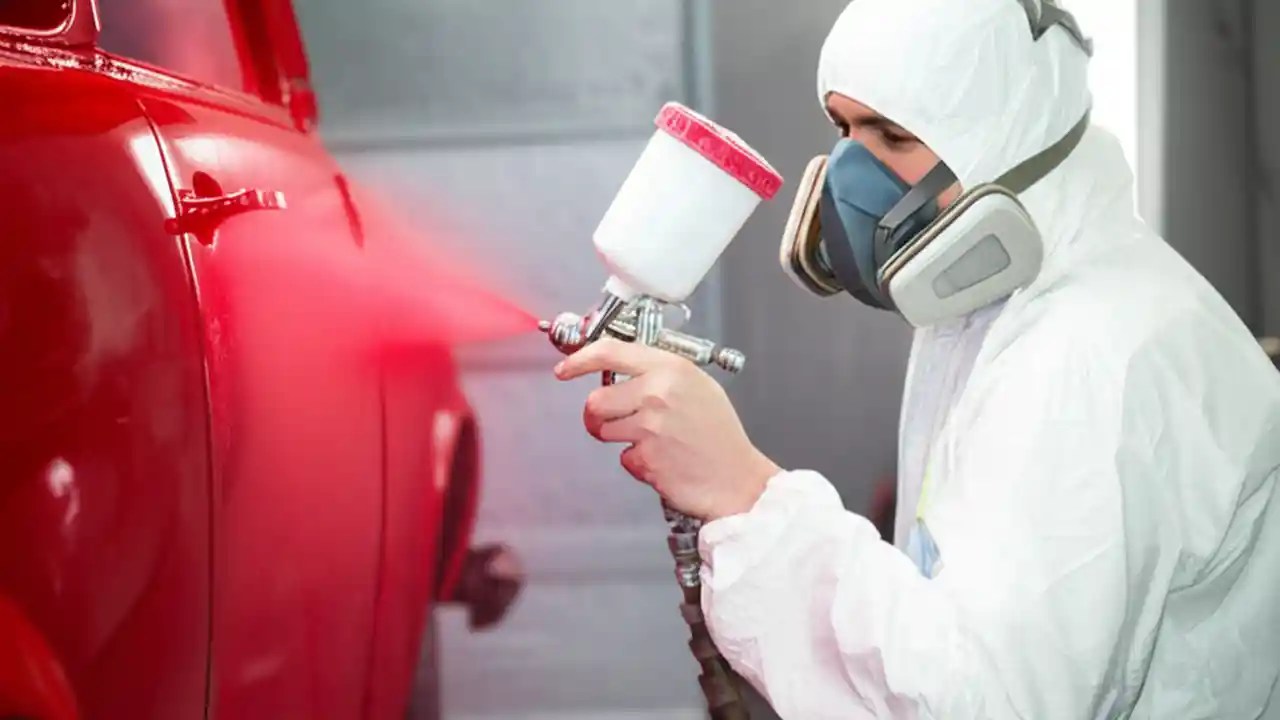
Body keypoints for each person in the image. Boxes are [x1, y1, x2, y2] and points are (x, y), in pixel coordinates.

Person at [555, 0, 1280, 717]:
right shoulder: (989, 309)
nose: (851, 175)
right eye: (844, 128)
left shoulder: (1089, 353)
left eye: (893, 134)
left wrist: (747, 492)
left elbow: (991, 704)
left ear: (1006, 139)